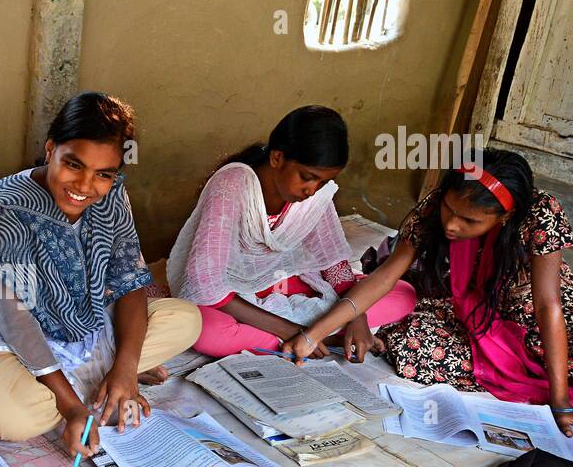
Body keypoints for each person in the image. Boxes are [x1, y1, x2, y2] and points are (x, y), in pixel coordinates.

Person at [284, 148, 573, 443]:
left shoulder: (541, 213)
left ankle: (569, 379)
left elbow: (547, 306)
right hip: (471, 313)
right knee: (411, 346)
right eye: (450, 210)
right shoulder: (436, 205)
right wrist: (311, 333)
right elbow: (385, 276)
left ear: (504, 217)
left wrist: (560, 403)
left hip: (539, 317)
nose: (451, 225)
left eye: (469, 221)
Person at [0, 91, 203, 458]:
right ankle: (88, 385)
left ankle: (111, 379)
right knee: (13, 419)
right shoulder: (8, 208)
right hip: (3, 327)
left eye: (103, 174)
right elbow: (16, 321)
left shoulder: (111, 196)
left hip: (84, 318)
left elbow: (129, 279)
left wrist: (125, 368)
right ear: (50, 150)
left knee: (187, 321)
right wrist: (72, 409)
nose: (83, 186)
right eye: (74, 165)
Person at [167, 105, 415, 361]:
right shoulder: (231, 185)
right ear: (277, 158)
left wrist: (357, 315)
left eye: (322, 182)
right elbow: (206, 282)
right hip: (238, 296)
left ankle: (316, 335)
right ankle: (322, 337)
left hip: (294, 286)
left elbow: (333, 265)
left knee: (402, 293)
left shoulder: (314, 196)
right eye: (307, 177)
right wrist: (292, 331)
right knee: (206, 331)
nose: (312, 190)